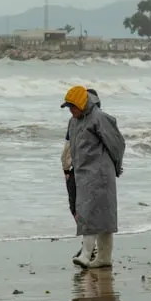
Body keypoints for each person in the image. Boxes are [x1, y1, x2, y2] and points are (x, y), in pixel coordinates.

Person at [61, 85, 125, 269]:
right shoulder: (73, 122)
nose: (70, 110)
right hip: (82, 173)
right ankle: (104, 258)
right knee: (100, 216)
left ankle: (86, 254)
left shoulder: (100, 118)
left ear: (82, 104)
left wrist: (116, 167)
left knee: (89, 213)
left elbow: (117, 145)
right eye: (68, 107)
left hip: (101, 173)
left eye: (72, 107)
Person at [61, 88, 100, 220]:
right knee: (78, 208)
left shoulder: (93, 121)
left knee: (78, 207)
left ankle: (86, 234)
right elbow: (68, 148)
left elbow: (67, 149)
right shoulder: (75, 122)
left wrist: (66, 170)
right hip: (76, 170)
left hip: (77, 171)